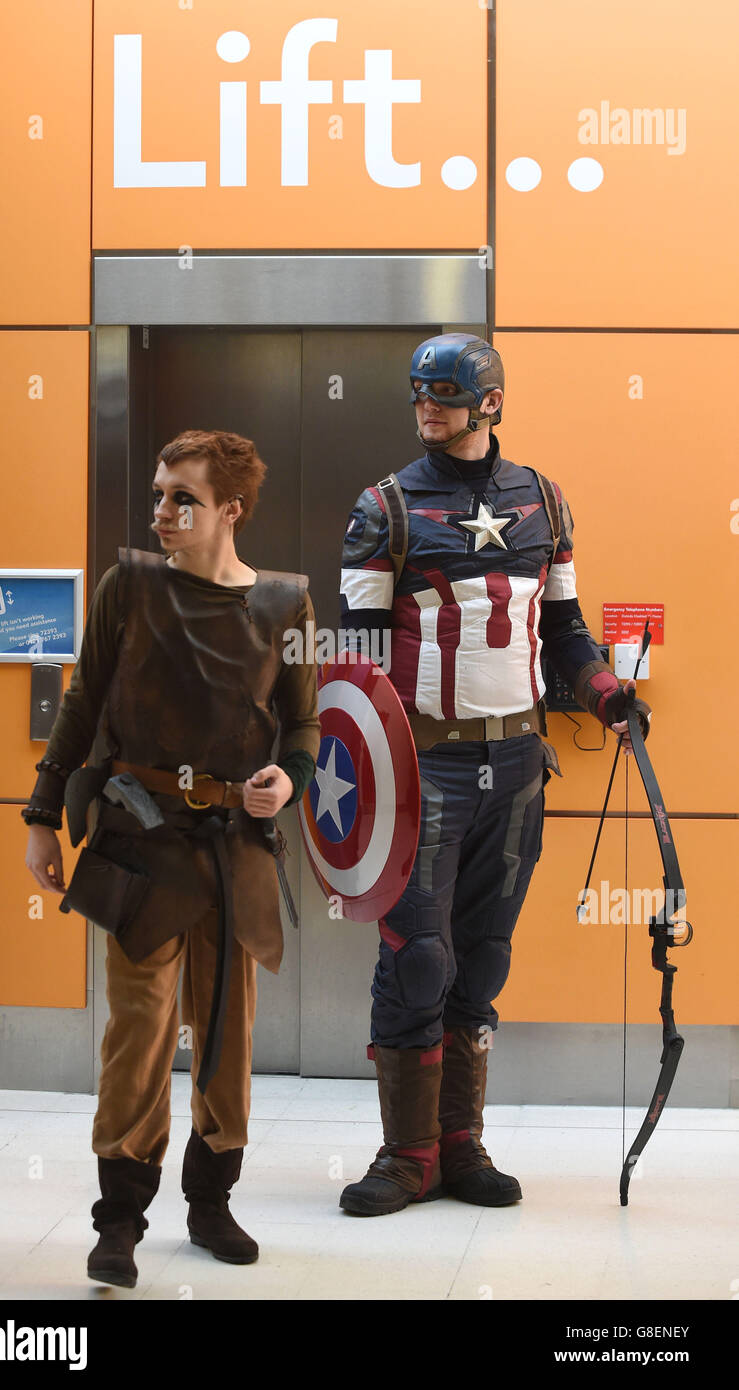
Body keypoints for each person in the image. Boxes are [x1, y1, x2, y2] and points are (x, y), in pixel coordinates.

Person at [337, 333, 651, 1216]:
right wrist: (344, 776)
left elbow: (565, 634)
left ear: (491, 404)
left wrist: (604, 695)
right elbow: (351, 660)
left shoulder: (542, 500)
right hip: (419, 767)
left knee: (482, 955)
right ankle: (406, 1155)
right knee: (416, 955)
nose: (426, 408)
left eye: (443, 394)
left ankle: (461, 1145)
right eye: (417, 395)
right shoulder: (385, 508)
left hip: (515, 765)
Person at [23, 429, 320, 1284]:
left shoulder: (284, 605)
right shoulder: (128, 589)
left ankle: (210, 1201)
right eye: (158, 494)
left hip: (234, 849)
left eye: (181, 498)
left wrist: (288, 781)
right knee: (138, 1033)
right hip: (139, 841)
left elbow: (303, 722)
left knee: (226, 1034)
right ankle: (118, 1221)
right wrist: (43, 815)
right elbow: (80, 705)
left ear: (229, 509)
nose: (162, 511)